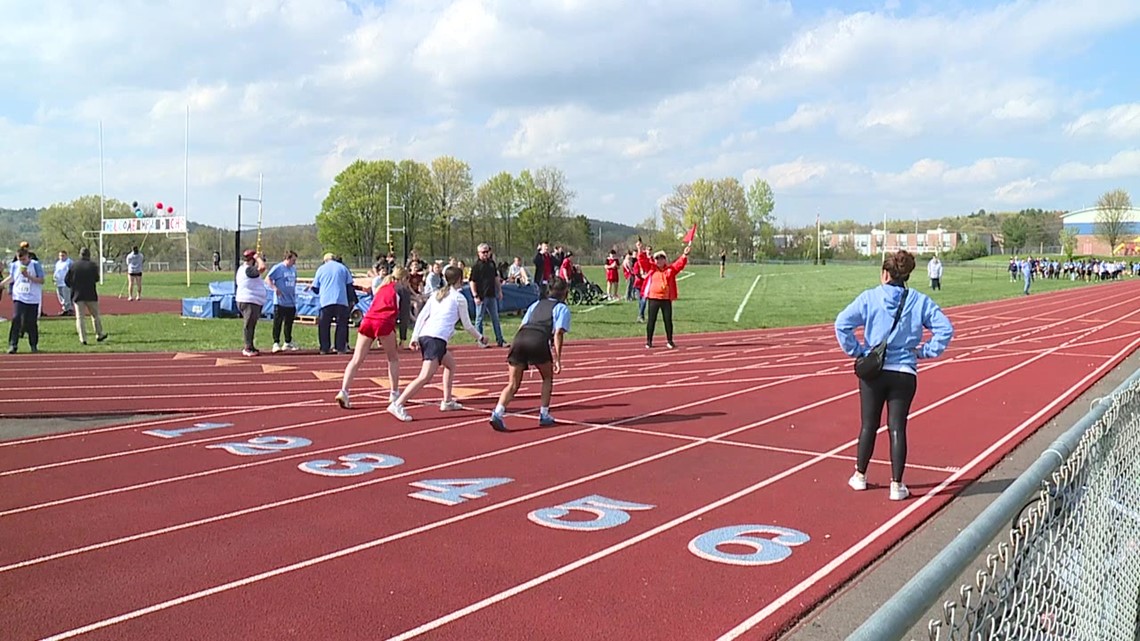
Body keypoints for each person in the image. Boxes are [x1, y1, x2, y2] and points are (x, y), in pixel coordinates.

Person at [834, 250, 954, 501]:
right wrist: (924, 352)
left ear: (885, 274)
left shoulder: (869, 298)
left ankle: (860, 476)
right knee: (897, 427)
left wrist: (858, 351)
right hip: (904, 372)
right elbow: (945, 329)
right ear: (906, 275)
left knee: (868, 425)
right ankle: (897, 485)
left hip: (874, 372)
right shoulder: (920, 301)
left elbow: (842, 323)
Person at [387, 265, 487, 422]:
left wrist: (414, 337)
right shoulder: (458, 298)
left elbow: (421, 317)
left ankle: (447, 401)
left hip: (428, 336)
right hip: (435, 339)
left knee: (451, 365)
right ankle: (398, 403)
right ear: (460, 280)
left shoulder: (436, 295)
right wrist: (480, 337)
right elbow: (467, 324)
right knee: (425, 376)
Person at [489, 278, 571, 432]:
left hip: (520, 339)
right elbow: (558, 332)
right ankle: (544, 414)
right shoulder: (561, 308)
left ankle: (498, 413)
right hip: (538, 341)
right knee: (547, 377)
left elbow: (522, 325)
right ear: (565, 292)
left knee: (513, 384)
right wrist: (558, 359)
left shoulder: (535, 305)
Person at [335, 267, 407, 409]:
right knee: (393, 359)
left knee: (356, 359)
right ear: (404, 279)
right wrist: (403, 338)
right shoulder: (401, 290)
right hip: (384, 322)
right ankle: (394, 392)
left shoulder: (382, 288)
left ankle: (344, 391)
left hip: (368, 320)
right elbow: (403, 316)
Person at [636, 239, 691, 349]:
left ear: (665, 260)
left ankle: (670, 341)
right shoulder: (651, 268)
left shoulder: (670, 270)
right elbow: (642, 261)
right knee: (651, 320)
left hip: (666, 299)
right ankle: (649, 341)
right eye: (657, 258)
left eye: (661, 258)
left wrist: (685, 254)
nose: (659, 260)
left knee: (668, 320)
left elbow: (679, 264)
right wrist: (639, 250)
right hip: (653, 298)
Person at [310, 252, 355, 354]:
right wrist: (351, 300)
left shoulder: (321, 269)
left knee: (324, 325)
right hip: (341, 300)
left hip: (326, 301)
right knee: (342, 325)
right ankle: (340, 347)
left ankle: (324, 348)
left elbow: (315, 288)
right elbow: (349, 285)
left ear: (325, 260)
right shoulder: (343, 268)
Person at [2, 248, 45, 353]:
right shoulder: (15, 265)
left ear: (28, 257)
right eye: (19, 259)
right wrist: (2, 284)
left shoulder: (35, 265)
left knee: (31, 322)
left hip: (33, 298)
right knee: (16, 319)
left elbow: (42, 280)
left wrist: (28, 276)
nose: (22, 262)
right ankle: (13, 345)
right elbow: (12, 277)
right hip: (19, 296)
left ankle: (33, 345)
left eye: (24, 259)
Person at [65, 247, 107, 345]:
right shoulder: (92, 266)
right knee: (95, 315)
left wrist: (73, 287)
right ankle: (99, 334)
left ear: (80, 255)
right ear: (89, 255)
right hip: (90, 294)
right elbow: (96, 278)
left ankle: (82, 338)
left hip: (77, 295)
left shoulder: (73, 266)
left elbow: (67, 280)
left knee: (80, 318)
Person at [470, 243, 506, 348]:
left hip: (491, 295)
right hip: (481, 296)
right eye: (483, 252)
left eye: (487, 251)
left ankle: (500, 340)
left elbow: (496, 278)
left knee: (495, 318)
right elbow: (472, 281)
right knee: (479, 319)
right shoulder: (476, 266)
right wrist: (475, 295)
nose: (486, 254)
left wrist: (499, 291)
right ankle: (480, 340)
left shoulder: (492, 264)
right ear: (479, 253)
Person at [235, 249, 268, 356]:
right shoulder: (248, 270)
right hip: (249, 300)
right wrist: (258, 258)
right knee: (249, 324)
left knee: (251, 324)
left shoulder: (243, 268)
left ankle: (251, 345)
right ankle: (247, 347)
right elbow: (262, 268)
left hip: (251, 300)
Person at [266, 250, 299, 352]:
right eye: (293, 260)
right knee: (278, 322)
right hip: (280, 301)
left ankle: (287, 342)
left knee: (289, 323)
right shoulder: (278, 268)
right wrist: (275, 288)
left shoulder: (293, 269)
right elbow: (268, 279)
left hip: (291, 301)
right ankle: (276, 343)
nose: (294, 262)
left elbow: (294, 282)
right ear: (287, 258)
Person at [53, 250, 73, 316]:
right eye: (60, 256)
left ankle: (69, 309)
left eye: (63, 255)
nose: (61, 257)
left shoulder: (69, 262)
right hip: (59, 282)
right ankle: (65, 309)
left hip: (66, 283)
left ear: (66, 255)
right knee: (61, 297)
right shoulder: (58, 263)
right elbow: (56, 272)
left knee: (67, 296)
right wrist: (54, 279)